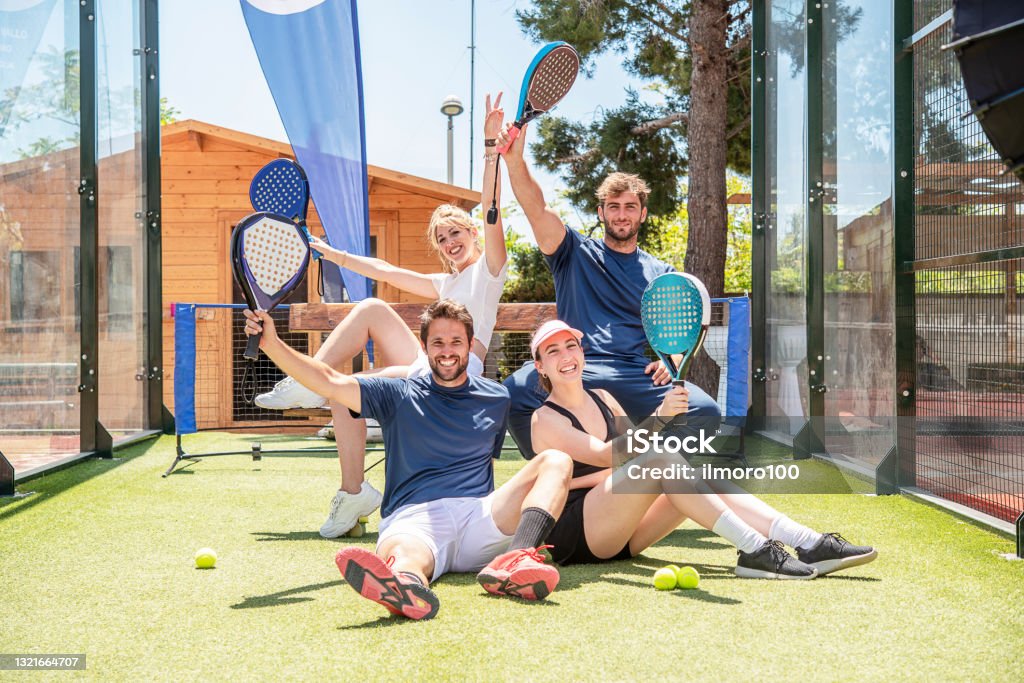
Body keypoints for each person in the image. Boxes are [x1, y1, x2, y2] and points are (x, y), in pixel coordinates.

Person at [255, 94, 510, 539]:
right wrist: (335, 255)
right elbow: (388, 271)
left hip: (456, 369)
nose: (450, 242)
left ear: (472, 234)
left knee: (344, 392)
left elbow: (491, 212)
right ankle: (351, 487)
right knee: (368, 321)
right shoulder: (444, 284)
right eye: (442, 238)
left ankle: (308, 384)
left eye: (456, 233)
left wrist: (490, 148)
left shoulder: (488, 272)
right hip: (423, 363)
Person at [243, 299, 574, 621]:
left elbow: (497, 459)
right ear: (424, 346)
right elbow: (330, 382)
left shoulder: (496, 397)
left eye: (456, 342)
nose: (447, 351)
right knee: (407, 557)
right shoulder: (397, 393)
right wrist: (271, 344)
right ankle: (405, 585)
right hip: (416, 520)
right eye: (438, 343)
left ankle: (513, 562)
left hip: (479, 518)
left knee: (556, 460)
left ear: (470, 345)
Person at [529, 320, 878, 578]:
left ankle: (808, 542)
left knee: (694, 474)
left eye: (571, 345)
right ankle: (754, 549)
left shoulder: (603, 398)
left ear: (582, 351)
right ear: (540, 366)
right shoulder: (544, 419)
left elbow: (631, 458)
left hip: (623, 533)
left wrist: (633, 457)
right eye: (552, 351)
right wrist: (661, 417)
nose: (566, 356)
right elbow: (611, 456)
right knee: (664, 461)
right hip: (578, 537)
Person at [493, 123, 720, 459]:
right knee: (514, 391)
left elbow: (677, 335)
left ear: (642, 214)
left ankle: (640, 477)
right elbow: (536, 209)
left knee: (706, 412)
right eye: (613, 206)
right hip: (573, 366)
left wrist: (670, 361)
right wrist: (514, 161)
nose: (621, 214)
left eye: (630, 207)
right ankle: (557, 477)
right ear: (601, 213)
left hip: (632, 374)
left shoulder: (662, 274)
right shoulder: (572, 252)